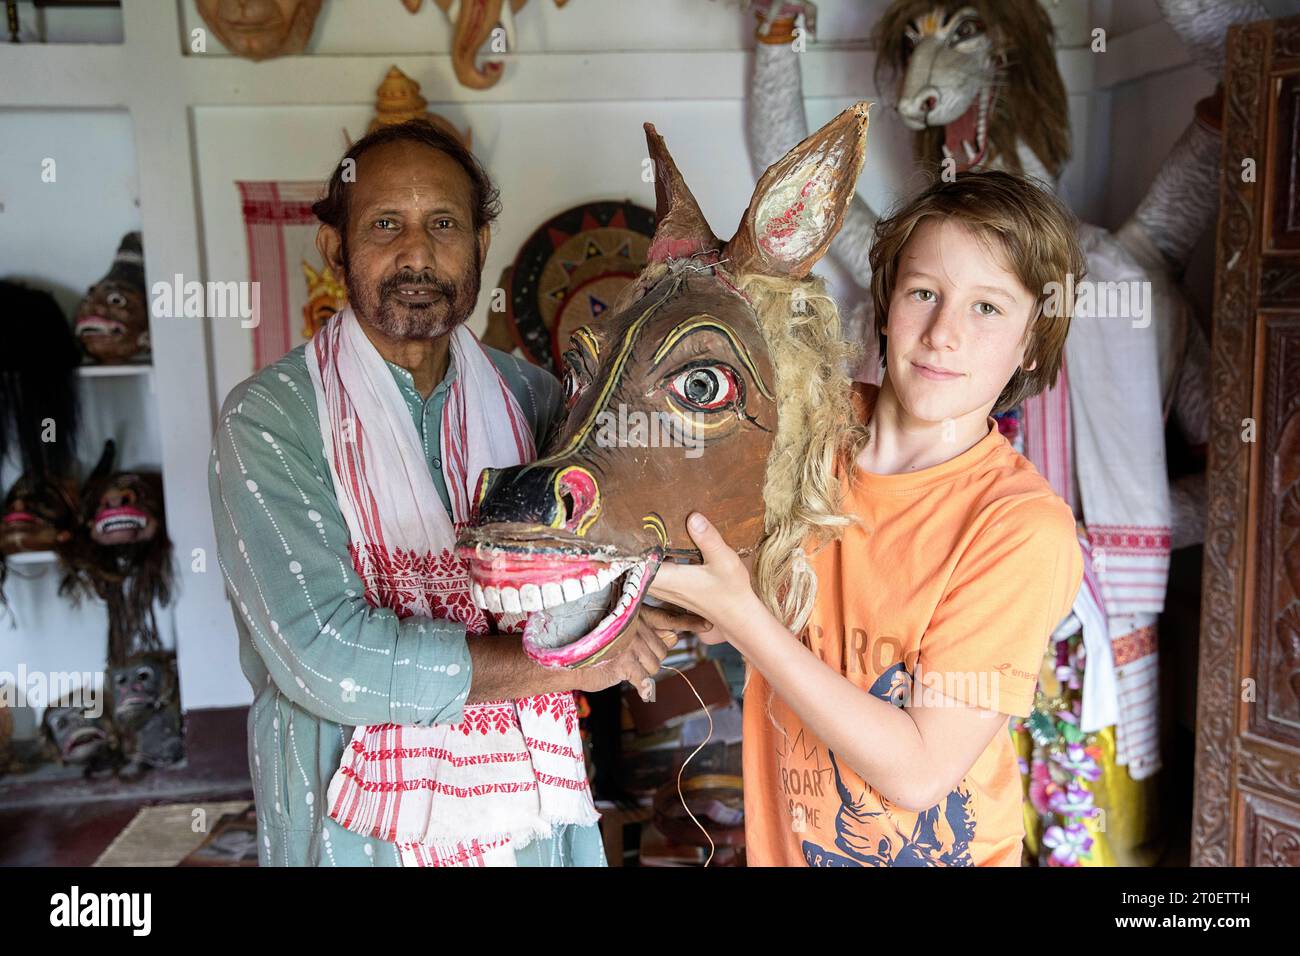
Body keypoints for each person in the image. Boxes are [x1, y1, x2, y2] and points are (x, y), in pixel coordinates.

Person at [209, 120, 685, 867]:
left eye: (443, 224)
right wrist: (570, 664)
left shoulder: (531, 399)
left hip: (529, 830)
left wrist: (682, 605)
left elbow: (596, 570)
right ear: (336, 248)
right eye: (386, 224)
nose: (417, 254)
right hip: (353, 831)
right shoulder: (272, 419)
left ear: (480, 244)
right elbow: (325, 655)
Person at [649, 170, 1086, 866]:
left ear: (1034, 341)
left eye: (988, 308)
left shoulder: (1018, 527)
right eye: (924, 293)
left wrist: (740, 619)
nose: (944, 334)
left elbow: (919, 770)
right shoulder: (800, 427)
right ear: (885, 306)